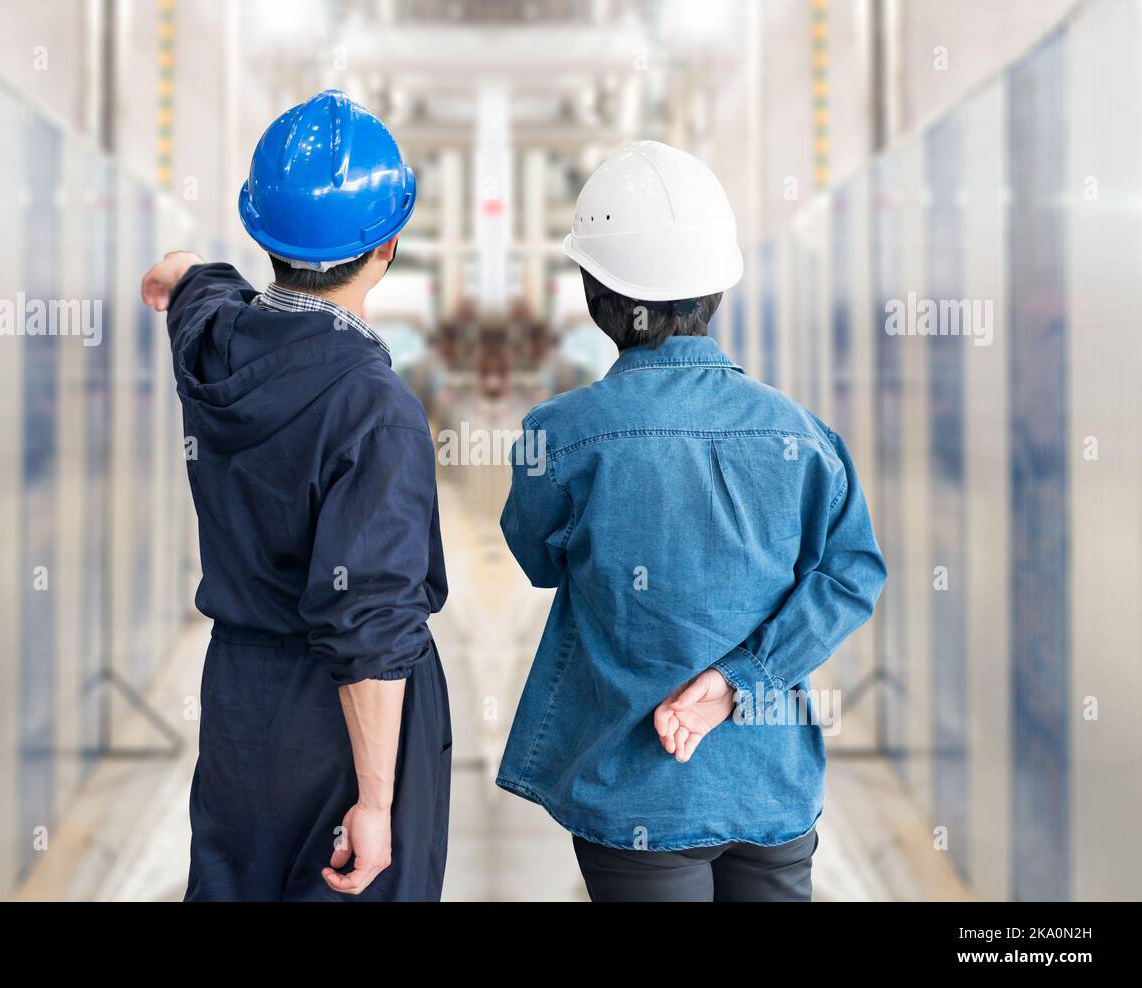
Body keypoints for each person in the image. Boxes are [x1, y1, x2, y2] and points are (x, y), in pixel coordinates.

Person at [496, 140, 887, 902]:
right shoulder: (802, 436)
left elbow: (538, 558)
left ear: (597, 295)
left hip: (636, 787)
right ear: (717, 287)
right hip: (769, 785)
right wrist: (741, 679)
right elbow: (852, 571)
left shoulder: (563, 435)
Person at [139, 90, 450, 901]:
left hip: (239, 704)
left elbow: (192, 280)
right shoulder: (376, 409)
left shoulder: (211, 340)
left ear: (262, 234)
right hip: (335, 718)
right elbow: (369, 620)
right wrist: (376, 801)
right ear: (386, 246)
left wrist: (173, 269)